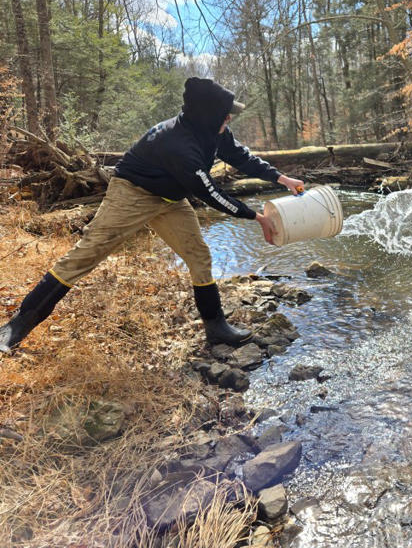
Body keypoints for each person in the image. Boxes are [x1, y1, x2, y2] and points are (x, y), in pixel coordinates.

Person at [0, 77, 304, 353]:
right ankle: (17, 326)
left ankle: (216, 328)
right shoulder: (179, 145)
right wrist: (257, 217)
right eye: (226, 112)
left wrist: (281, 179)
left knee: (199, 256)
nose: (230, 117)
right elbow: (210, 194)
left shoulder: (214, 130)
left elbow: (242, 157)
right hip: (133, 193)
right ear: (208, 114)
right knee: (85, 255)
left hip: (170, 197)